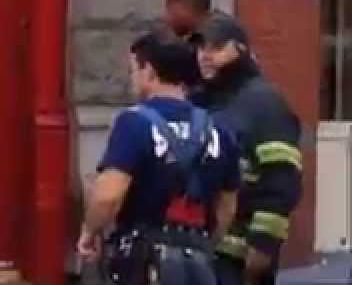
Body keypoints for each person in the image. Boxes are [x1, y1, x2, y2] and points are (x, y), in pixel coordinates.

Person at [78, 29, 240, 285]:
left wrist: (90, 231)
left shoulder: (134, 123)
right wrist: (205, 244)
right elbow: (227, 206)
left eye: (134, 70)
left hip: (144, 260)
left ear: (150, 72)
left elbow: (108, 196)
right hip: (197, 261)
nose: (131, 79)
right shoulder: (219, 130)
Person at [191, 13, 302, 285]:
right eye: (201, 48)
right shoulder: (203, 101)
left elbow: (282, 178)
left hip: (237, 258)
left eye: (216, 48)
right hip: (201, 251)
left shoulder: (264, 103)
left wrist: (263, 245)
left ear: (240, 50)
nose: (205, 55)